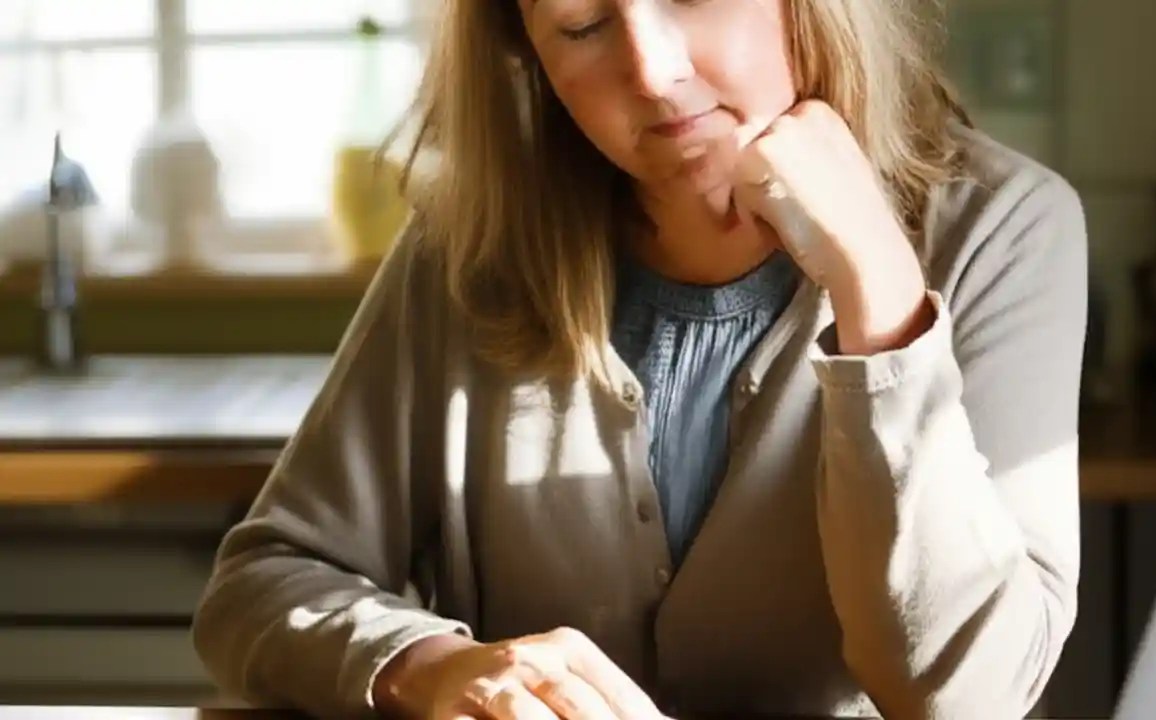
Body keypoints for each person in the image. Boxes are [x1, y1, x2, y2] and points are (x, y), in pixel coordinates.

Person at [192, 0, 1087, 718]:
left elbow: (970, 700)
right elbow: (260, 586)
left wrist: (881, 296)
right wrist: (431, 669)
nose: (654, 73)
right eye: (582, 26)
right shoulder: (466, 247)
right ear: (528, 54)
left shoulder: (1007, 228)